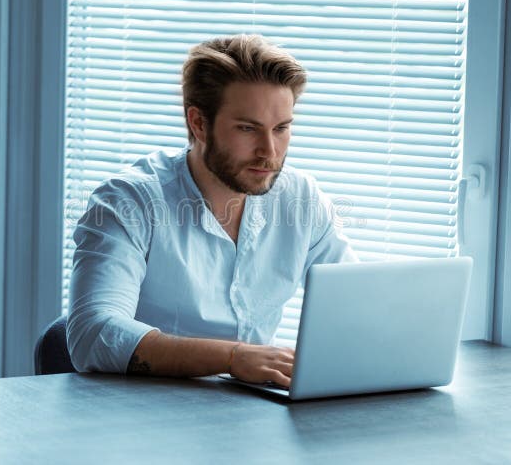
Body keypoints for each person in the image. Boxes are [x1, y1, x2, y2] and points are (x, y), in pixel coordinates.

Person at [67, 34, 358, 388]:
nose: (269, 151)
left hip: (251, 412)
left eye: (281, 129)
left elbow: (354, 305)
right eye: (248, 129)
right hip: (143, 414)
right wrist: (233, 358)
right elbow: (94, 335)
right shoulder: (128, 202)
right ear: (199, 123)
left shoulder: (301, 198)